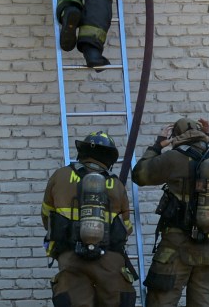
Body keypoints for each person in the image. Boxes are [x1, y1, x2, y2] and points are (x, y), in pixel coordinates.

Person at [131, 116, 209, 307]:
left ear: (176, 136)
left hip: (178, 246)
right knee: (203, 300)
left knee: (161, 301)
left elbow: (139, 175)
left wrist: (157, 145)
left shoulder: (173, 158)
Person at [41, 130, 137, 307]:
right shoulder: (116, 185)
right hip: (109, 262)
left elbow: (47, 216)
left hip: (70, 259)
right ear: (109, 158)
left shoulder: (60, 176)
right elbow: (126, 227)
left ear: (83, 152)